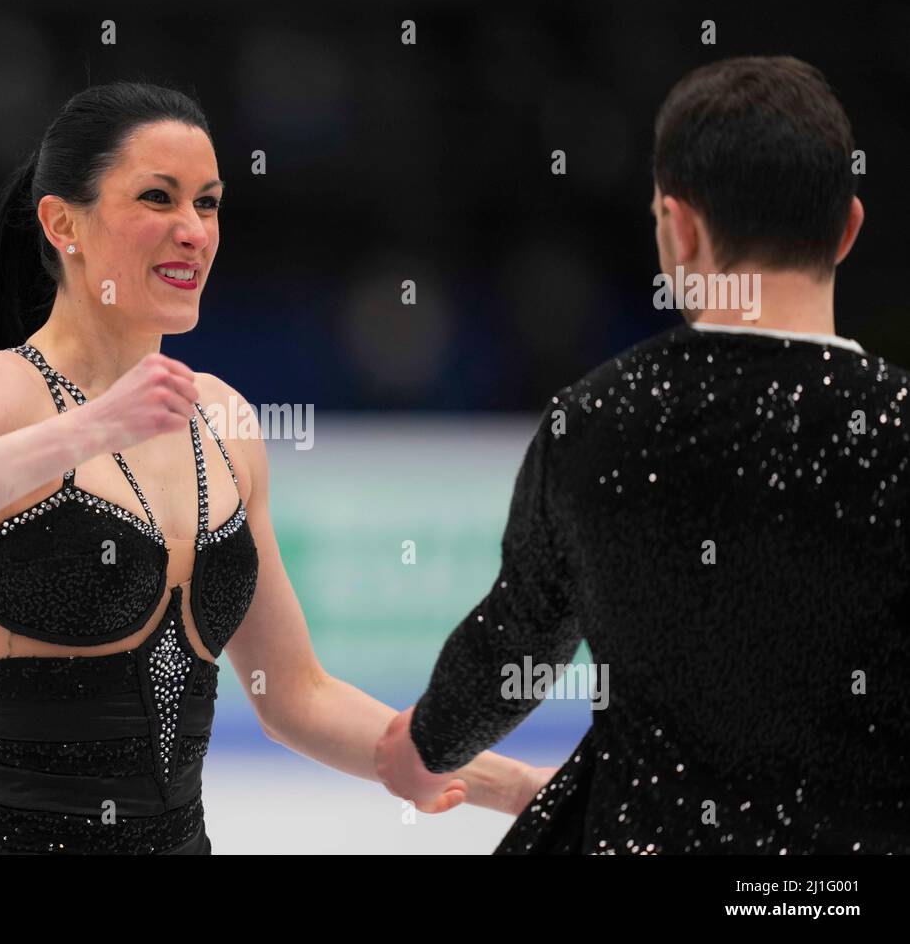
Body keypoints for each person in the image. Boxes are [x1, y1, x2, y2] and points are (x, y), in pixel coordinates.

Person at [0, 81, 550, 854]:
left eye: (208, 205)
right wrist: (85, 430)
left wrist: (521, 790)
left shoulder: (223, 419)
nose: (193, 231)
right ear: (62, 222)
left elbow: (296, 696)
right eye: (158, 198)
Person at [376, 56, 910, 854]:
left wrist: (423, 747)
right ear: (849, 227)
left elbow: (515, 640)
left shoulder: (596, 423)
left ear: (677, 226)